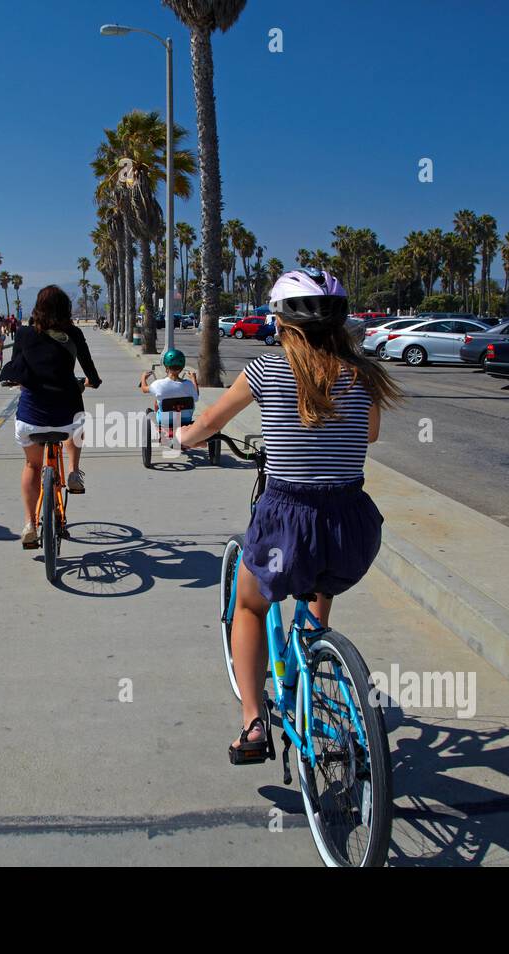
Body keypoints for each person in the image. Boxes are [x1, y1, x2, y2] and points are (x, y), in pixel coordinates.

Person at [176, 268, 402, 763]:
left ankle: (254, 724)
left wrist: (180, 438)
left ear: (282, 323)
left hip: (288, 518)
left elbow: (206, 425)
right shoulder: (364, 374)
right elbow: (369, 436)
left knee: (252, 606)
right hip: (353, 525)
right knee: (321, 580)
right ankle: (314, 654)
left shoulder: (263, 370)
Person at [12, 285, 102, 547]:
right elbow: (89, 369)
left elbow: (17, 369)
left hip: (31, 417)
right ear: (66, 309)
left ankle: (30, 524)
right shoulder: (73, 334)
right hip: (66, 415)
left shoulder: (24, 334)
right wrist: (92, 381)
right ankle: (73, 472)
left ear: (37, 309)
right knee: (77, 424)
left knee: (32, 466)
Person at [140, 349, 199, 442]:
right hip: (186, 420)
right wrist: (193, 379)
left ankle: (159, 427)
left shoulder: (158, 384)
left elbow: (144, 389)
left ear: (166, 366)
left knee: (157, 402)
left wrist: (143, 377)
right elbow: (196, 397)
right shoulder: (189, 384)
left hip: (165, 421)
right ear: (182, 367)